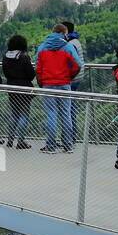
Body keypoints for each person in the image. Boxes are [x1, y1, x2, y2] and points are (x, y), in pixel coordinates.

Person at [35, 24, 81, 153]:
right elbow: (78, 65)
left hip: (48, 84)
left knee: (51, 114)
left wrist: (41, 82)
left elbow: (38, 67)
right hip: (64, 84)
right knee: (66, 114)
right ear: (63, 33)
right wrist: (69, 76)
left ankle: (50, 146)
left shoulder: (42, 47)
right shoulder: (68, 47)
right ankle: (68, 145)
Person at [1, 34, 35, 149]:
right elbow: (31, 74)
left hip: (11, 87)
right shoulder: (23, 57)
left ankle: (10, 140)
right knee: (24, 114)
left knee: (14, 113)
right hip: (24, 88)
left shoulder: (6, 56)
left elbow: (5, 73)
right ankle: (20, 141)